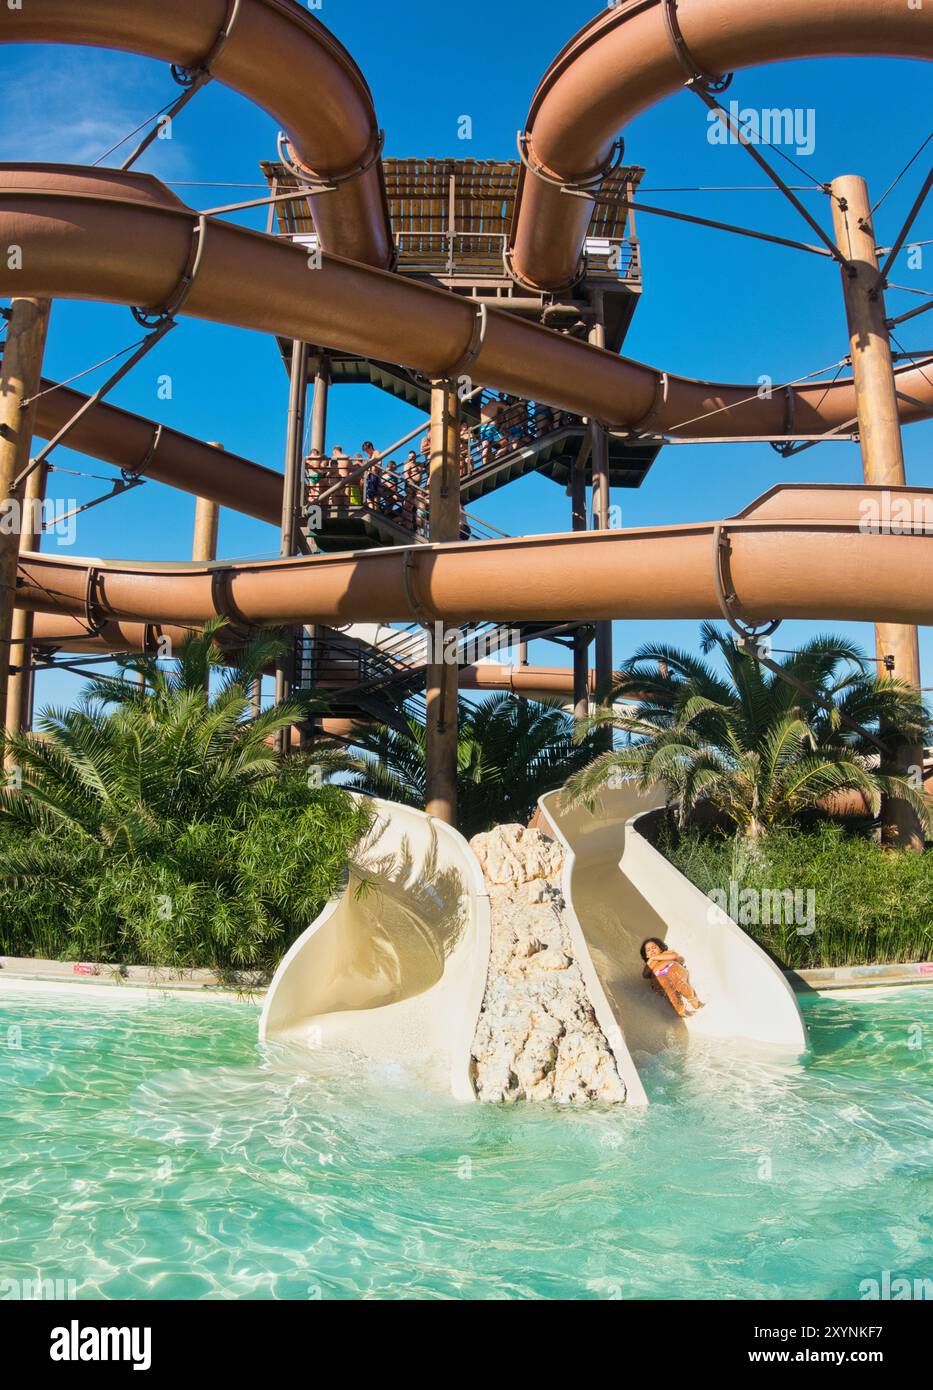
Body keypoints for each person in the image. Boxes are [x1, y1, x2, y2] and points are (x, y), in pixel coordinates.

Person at [640, 938, 704, 1018]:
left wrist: (655, 957)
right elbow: (645, 974)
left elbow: (674, 956)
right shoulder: (651, 963)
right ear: (646, 955)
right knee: (670, 993)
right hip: (659, 976)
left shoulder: (666, 953)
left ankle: (694, 1001)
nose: (652, 950)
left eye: (654, 947)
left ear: (660, 948)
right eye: (648, 950)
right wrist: (651, 960)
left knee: (680, 983)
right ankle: (681, 1010)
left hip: (672, 968)